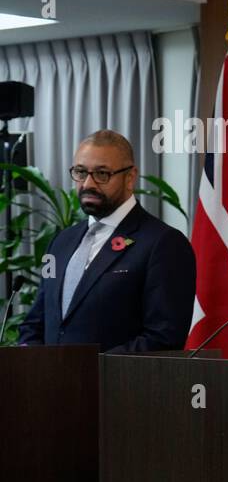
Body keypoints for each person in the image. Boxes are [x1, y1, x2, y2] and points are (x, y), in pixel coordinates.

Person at [18, 130, 196, 351]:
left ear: (130, 177)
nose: (88, 184)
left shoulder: (165, 244)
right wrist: (33, 366)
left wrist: (90, 370)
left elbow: (164, 337)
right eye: (81, 172)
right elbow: (36, 320)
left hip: (116, 383)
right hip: (51, 383)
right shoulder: (60, 242)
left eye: (102, 174)